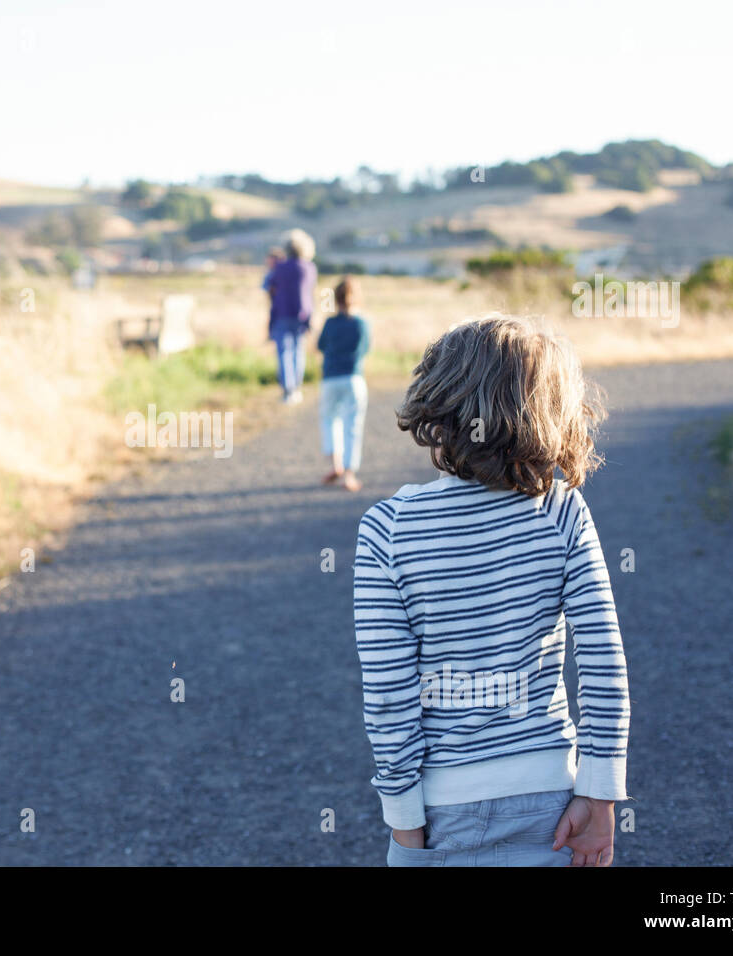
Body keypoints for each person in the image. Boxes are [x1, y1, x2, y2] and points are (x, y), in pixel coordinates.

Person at [354, 314, 630, 867]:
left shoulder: (387, 529)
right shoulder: (560, 511)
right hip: (552, 795)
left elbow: (390, 698)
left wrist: (406, 830)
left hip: (442, 806)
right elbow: (602, 661)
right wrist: (600, 796)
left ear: (441, 398)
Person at [315, 276, 369, 492]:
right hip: (354, 378)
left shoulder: (329, 323)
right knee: (353, 425)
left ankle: (335, 465)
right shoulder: (361, 323)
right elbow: (365, 348)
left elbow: (320, 345)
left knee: (329, 420)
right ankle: (349, 474)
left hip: (330, 378)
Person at [263, 229, 316, 404]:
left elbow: (267, 286)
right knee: (298, 352)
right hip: (303, 314)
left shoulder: (280, 268)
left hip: (282, 313)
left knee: (284, 353)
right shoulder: (309, 268)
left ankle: (288, 390)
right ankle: (297, 388)